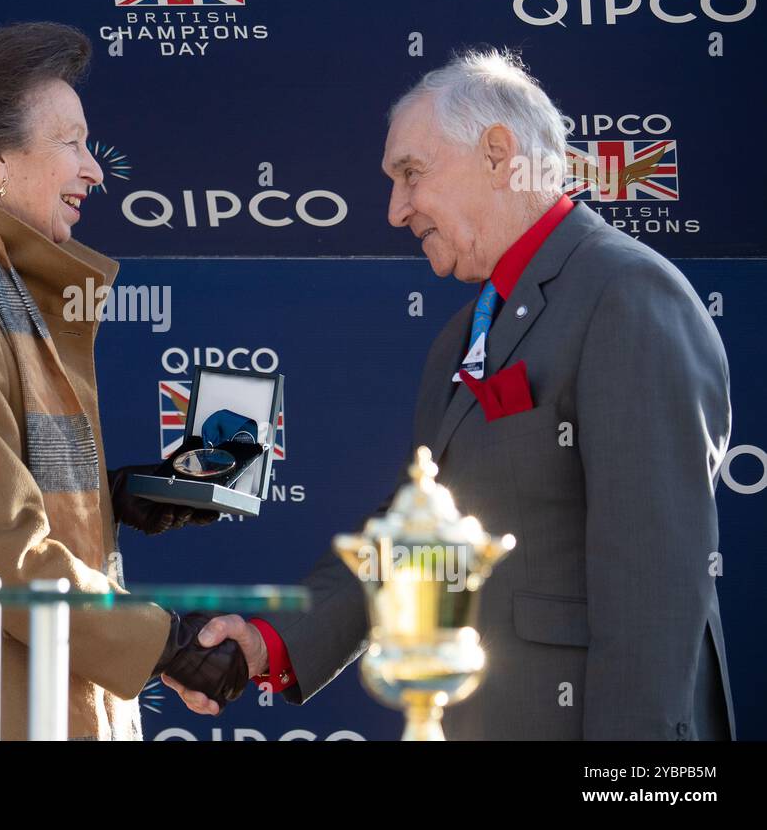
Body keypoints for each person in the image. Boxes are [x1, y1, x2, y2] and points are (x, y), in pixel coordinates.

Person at [164, 49, 736, 740]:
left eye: (411, 174)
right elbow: (416, 540)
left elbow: (657, 586)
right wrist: (271, 642)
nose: (397, 209)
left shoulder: (626, 294)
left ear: (498, 154)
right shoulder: (463, 334)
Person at [0, 22, 246, 740]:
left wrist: (112, 499)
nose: (96, 169)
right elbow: (2, 552)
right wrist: (165, 645)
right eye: (72, 142)